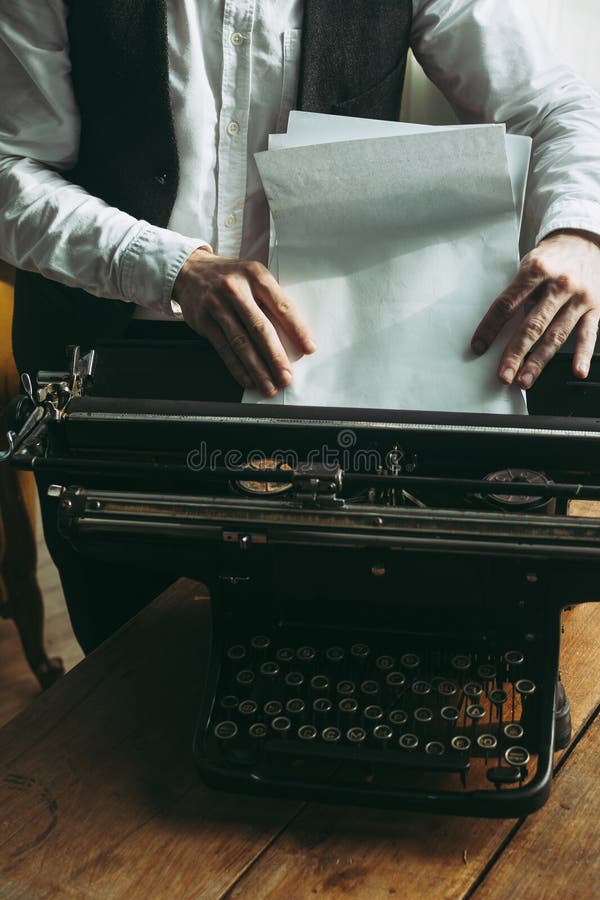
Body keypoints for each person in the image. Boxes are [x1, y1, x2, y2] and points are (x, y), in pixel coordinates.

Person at [1, 0, 600, 652]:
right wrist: (169, 267)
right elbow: (11, 168)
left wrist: (577, 229)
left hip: (323, 378)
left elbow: (555, 109)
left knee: (347, 635)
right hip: (112, 379)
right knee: (124, 680)